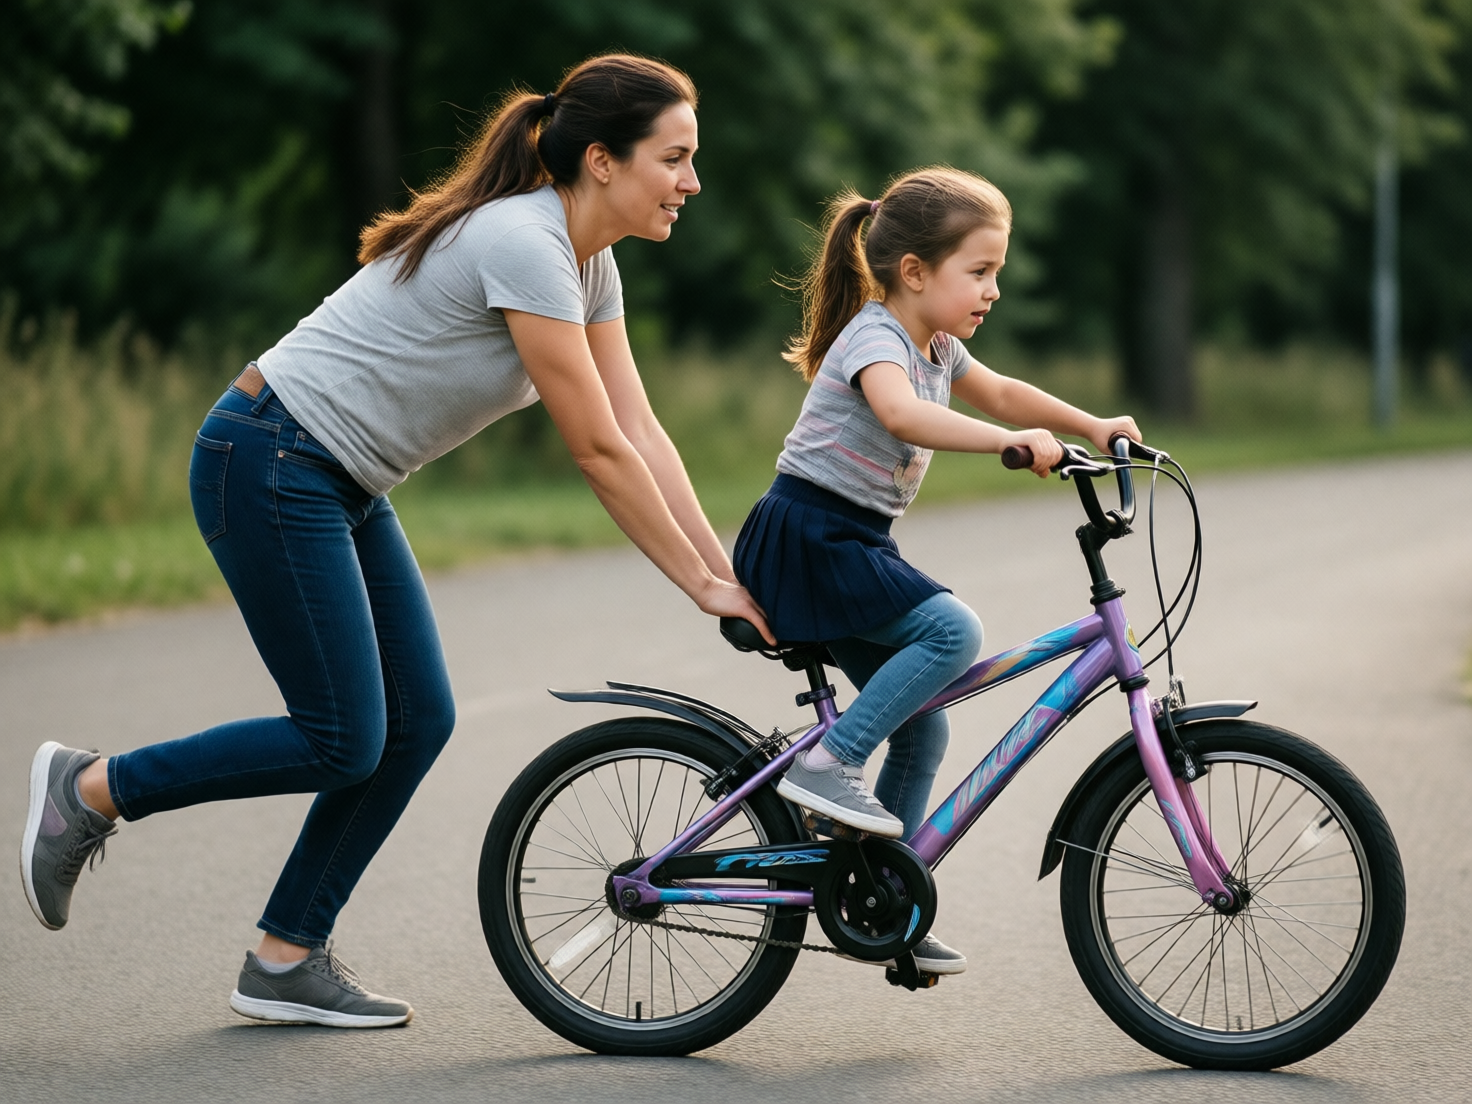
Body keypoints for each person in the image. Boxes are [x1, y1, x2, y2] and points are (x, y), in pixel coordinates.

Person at [19, 53, 771, 1029]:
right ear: (600, 160)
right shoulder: (523, 241)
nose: (691, 183)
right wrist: (696, 589)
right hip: (271, 455)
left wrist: (724, 571)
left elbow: (640, 429)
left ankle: (284, 957)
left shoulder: (587, 263)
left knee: (414, 723)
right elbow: (594, 448)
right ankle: (90, 789)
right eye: (673, 159)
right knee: (342, 736)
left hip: (334, 475)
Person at [732, 167, 1140, 976]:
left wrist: (1090, 424)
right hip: (811, 537)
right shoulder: (875, 336)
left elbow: (1004, 390)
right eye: (979, 271)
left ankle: (882, 891)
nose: (994, 289)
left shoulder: (940, 346)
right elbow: (901, 413)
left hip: (851, 543)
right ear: (914, 271)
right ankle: (830, 763)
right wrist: (1008, 445)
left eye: (998, 272)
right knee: (952, 630)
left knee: (925, 725)